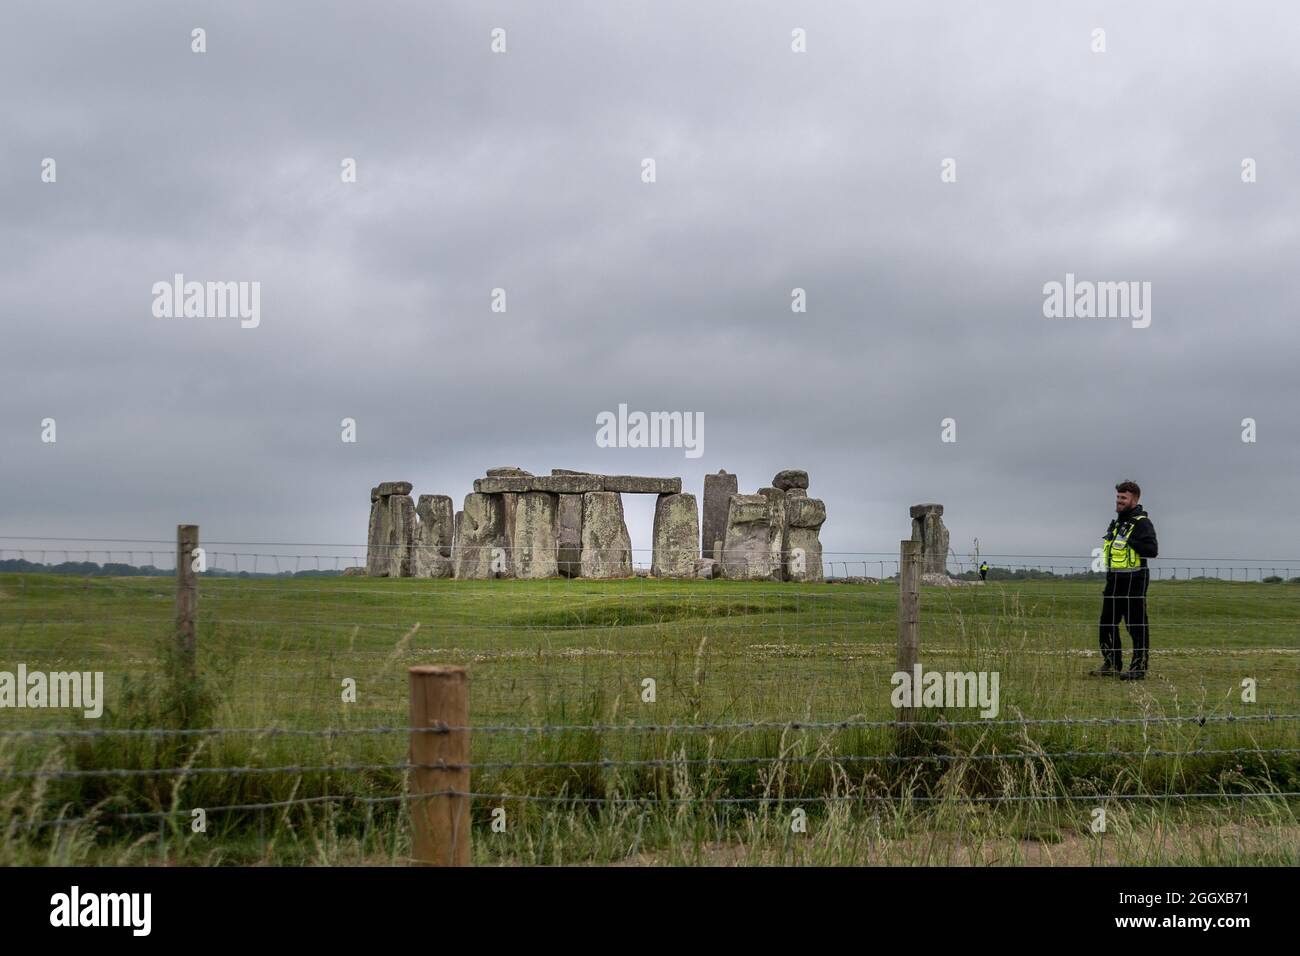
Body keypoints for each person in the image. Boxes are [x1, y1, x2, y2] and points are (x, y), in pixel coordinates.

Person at [1090, 480, 1158, 680]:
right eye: (1118, 497)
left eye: (1123, 498)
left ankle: (1138, 668)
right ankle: (1111, 663)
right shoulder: (1118, 522)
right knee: (1107, 624)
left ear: (1134, 499)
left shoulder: (1142, 523)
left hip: (1134, 579)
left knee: (1136, 626)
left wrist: (1130, 540)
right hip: (1114, 579)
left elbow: (1152, 551)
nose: (1119, 501)